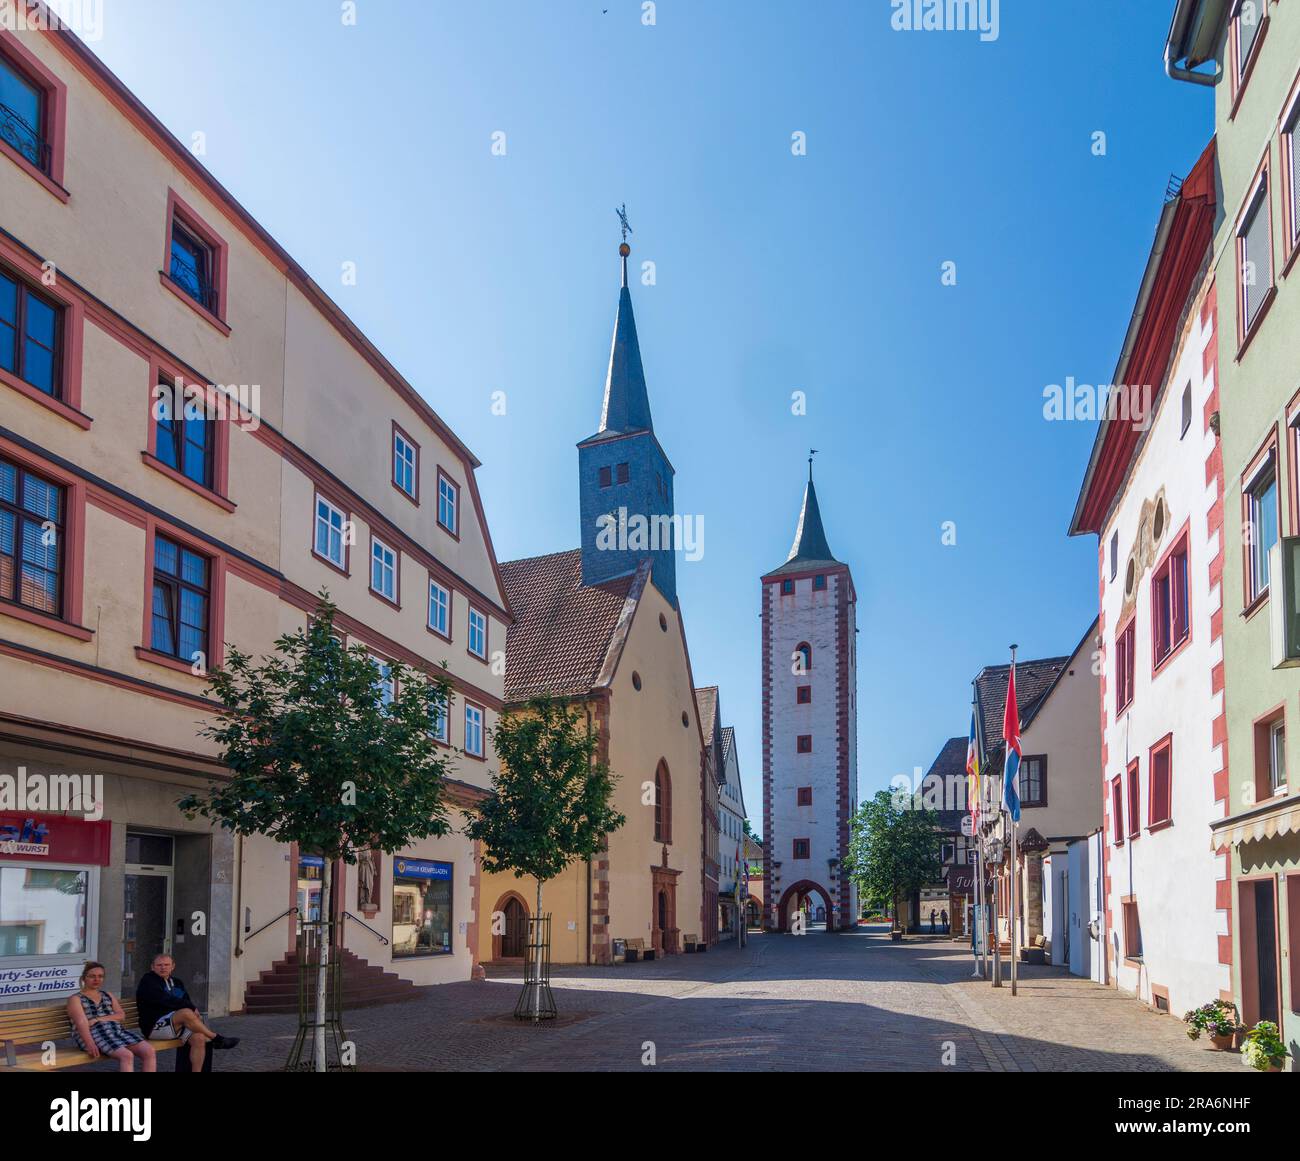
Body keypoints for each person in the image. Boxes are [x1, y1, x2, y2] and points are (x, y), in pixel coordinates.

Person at [136, 953, 239, 1072]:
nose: (163, 967)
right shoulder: (148, 981)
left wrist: (190, 1007)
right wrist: (190, 1007)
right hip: (154, 1027)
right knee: (185, 1012)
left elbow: (185, 1000)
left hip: (177, 1025)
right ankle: (217, 1038)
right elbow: (164, 1000)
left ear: (172, 966)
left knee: (199, 1038)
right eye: (159, 965)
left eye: (166, 964)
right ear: (152, 967)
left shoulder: (177, 982)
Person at [66, 961, 156, 1072]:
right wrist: (89, 1044)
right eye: (92, 976)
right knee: (126, 1055)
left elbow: (121, 1015)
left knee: (149, 1051)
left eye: (100, 976)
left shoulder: (107, 995)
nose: (96, 979)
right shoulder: (76, 998)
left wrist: (97, 1019)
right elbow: (80, 1022)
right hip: (93, 1034)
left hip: (116, 1031)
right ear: (84, 978)